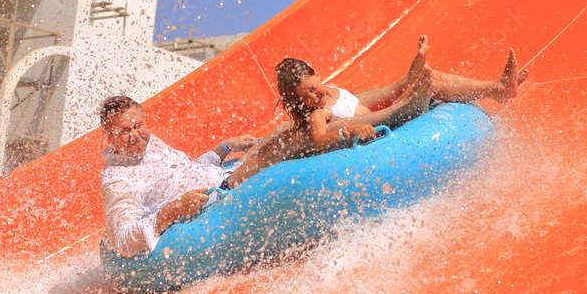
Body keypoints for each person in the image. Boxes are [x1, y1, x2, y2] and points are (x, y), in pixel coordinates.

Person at [225, 35, 528, 187]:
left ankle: (496, 88)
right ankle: (495, 89)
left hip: (393, 119)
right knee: (423, 87)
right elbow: (318, 138)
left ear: (317, 75)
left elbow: (363, 100)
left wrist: (405, 84)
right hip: (387, 127)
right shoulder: (317, 113)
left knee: (431, 79)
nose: (314, 97)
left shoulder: (335, 91)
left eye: (313, 88)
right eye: (305, 98)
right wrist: (348, 131)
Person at [98, 95, 256, 257]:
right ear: (110, 136)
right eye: (124, 131)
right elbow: (123, 240)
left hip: (224, 178)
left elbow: (188, 170)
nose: (135, 135)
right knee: (274, 146)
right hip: (217, 196)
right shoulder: (118, 179)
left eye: (137, 125)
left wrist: (224, 147)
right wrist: (173, 209)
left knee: (267, 141)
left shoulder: (149, 144)